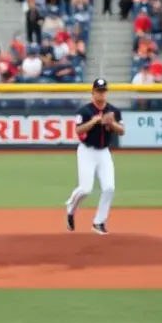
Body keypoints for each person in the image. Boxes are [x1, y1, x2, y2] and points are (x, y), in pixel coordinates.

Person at [65, 78, 125, 234]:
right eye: (99, 91)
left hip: (104, 152)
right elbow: (78, 130)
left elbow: (122, 130)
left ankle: (99, 222)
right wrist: (94, 121)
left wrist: (110, 123)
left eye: (104, 91)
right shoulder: (84, 111)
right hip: (87, 151)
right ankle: (71, 207)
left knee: (109, 188)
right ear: (93, 92)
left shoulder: (113, 111)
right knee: (85, 189)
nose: (102, 94)